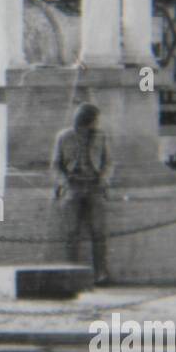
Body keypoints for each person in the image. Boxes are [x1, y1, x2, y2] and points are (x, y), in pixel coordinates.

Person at [50, 102, 113, 284]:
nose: (97, 123)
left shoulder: (101, 137)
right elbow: (55, 165)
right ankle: (72, 273)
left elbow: (108, 162)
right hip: (73, 186)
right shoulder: (63, 137)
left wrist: (103, 179)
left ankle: (100, 273)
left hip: (94, 187)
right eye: (95, 120)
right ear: (88, 120)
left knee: (99, 233)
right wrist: (64, 183)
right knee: (71, 233)